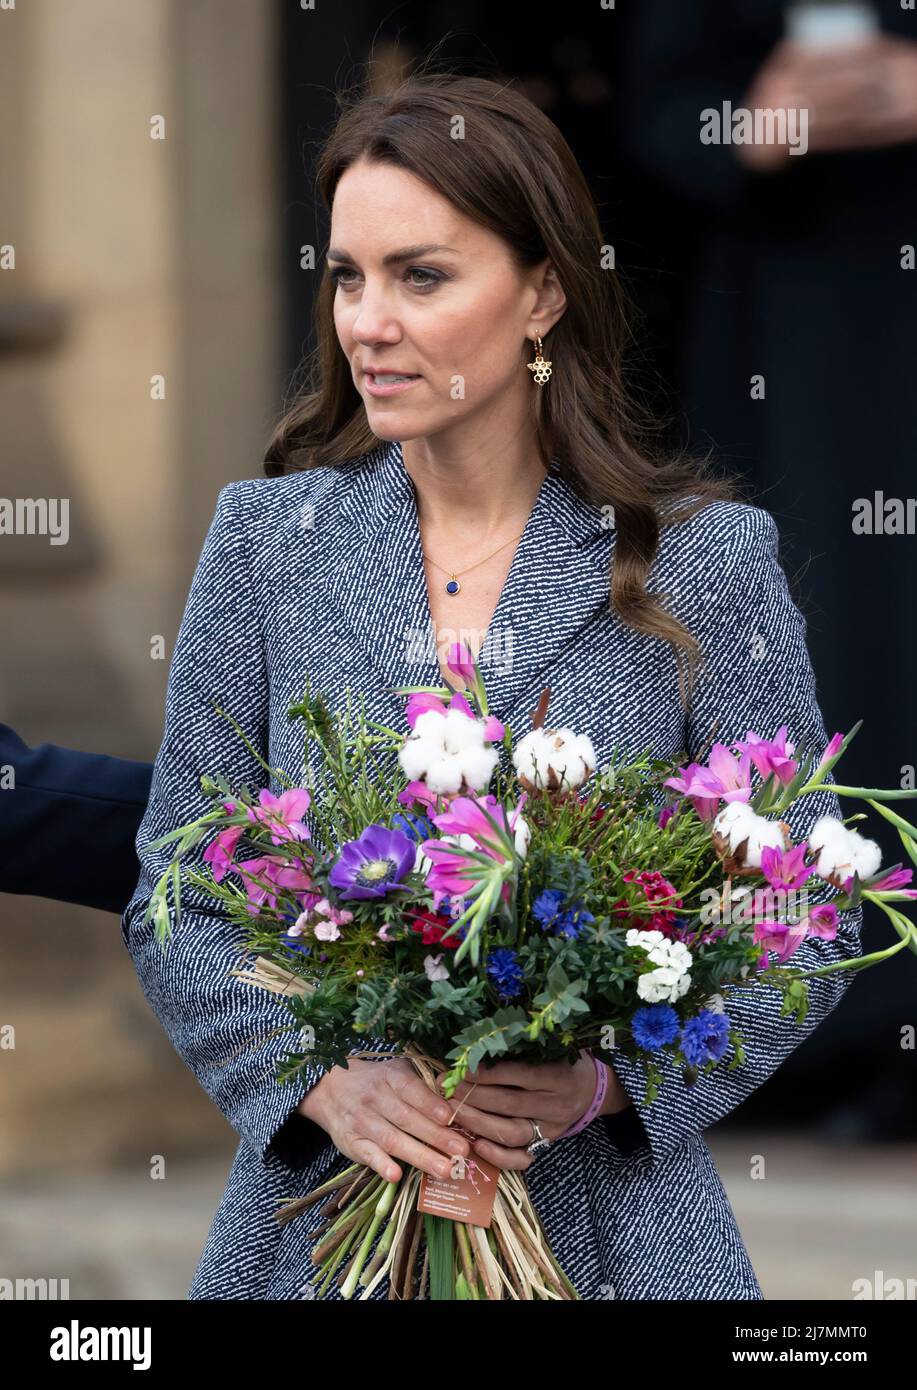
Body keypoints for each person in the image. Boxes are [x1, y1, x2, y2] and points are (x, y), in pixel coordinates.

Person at [121, 71, 862, 1301]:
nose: (367, 320)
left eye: (420, 275)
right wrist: (318, 1079)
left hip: (618, 1236)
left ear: (542, 296)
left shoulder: (701, 562)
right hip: (318, 1229)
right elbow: (176, 881)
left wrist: (613, 1078)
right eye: (348, 276)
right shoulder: (264, 543)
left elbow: (809, 900)